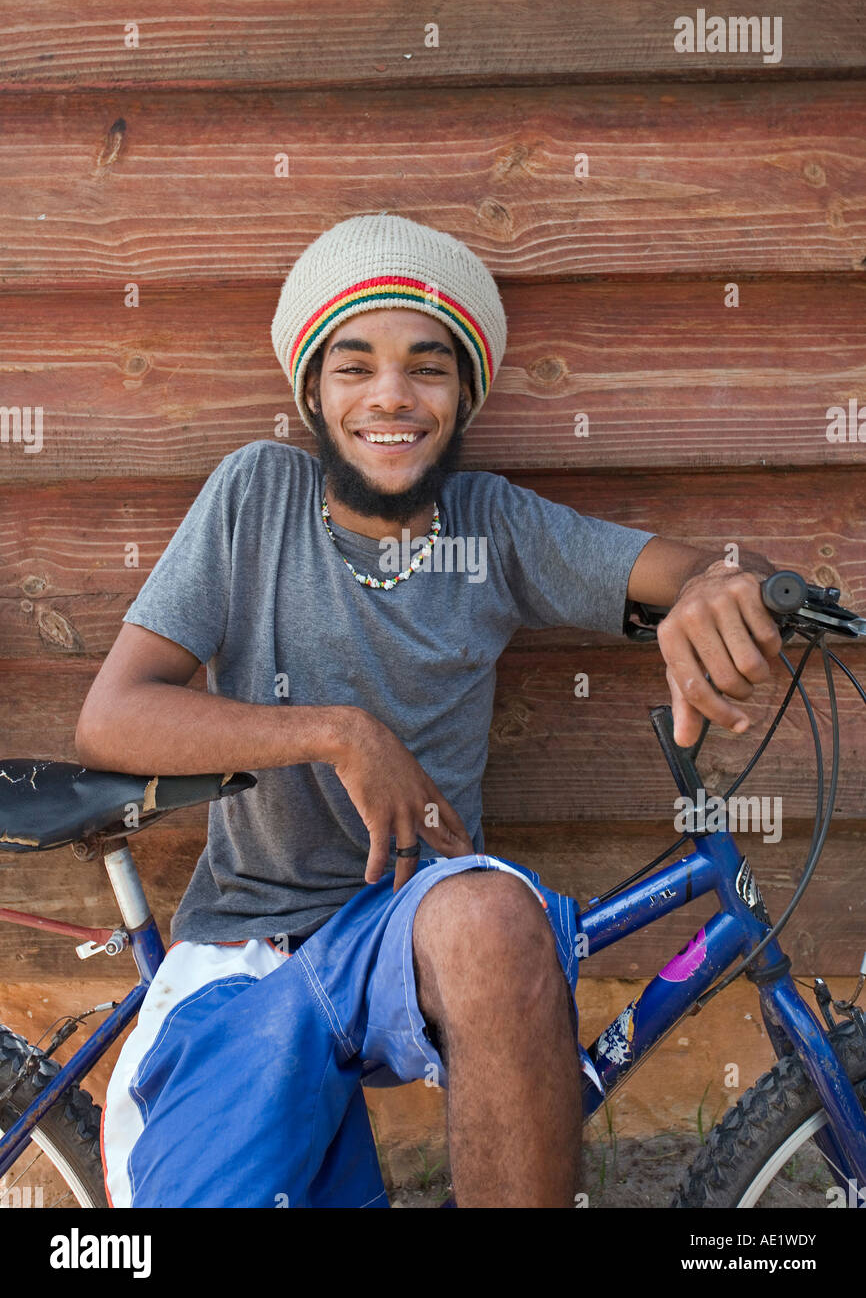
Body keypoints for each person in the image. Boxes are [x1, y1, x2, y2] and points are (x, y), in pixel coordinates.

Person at [77, 213, 781, 1208]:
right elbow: (112, 715)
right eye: (353, 365)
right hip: (250, 950)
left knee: (500, 915)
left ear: (462, 396)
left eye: (427, 366)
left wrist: (722, 589)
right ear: (314, 394)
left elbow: (693, 571)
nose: (390, 396)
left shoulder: (493, 525)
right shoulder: (254, 497)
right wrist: (339, 733)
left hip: (413, 930)